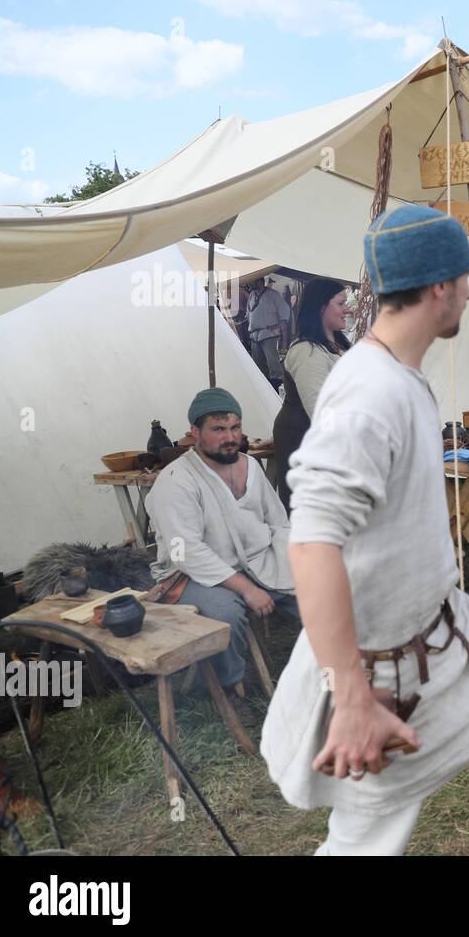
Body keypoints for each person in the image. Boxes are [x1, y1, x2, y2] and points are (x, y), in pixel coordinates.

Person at [261, 204, 469, 856]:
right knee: (366, 838)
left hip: (448, 631)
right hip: (385, 673)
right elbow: (311, 540)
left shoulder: (398, 376)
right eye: (465, 278)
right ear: (440, 287)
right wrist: (352, 699)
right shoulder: (367, 394)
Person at [147, 388, 297, 695]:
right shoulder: (177, 481)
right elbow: (187, 551)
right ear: (195, 433)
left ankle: (332, 668)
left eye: (235, 428)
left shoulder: (250, 466)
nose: (230, 437)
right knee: (224, 615)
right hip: (194, 574)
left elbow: (279, 523)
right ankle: (227, 689)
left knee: (318, 590)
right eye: (218, 429)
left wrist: (293, 562)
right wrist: (248, 589)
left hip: (258, 559)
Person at [272, 279, 352, 511]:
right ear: (321, 307)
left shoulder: (338, 345)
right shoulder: (306, 352)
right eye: (341, 303)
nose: (348, 308)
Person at [248, 278, 292, 389]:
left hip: (269, 334)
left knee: (274, 365)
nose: (252, 283)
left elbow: (284, 314)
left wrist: (283, 338)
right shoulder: (252, 295)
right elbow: (249, 313)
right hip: (255, 335)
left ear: (261, 282)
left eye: (255, 281)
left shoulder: (274, 295)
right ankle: (264, 389)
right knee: (259, 366)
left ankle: (279, 389)